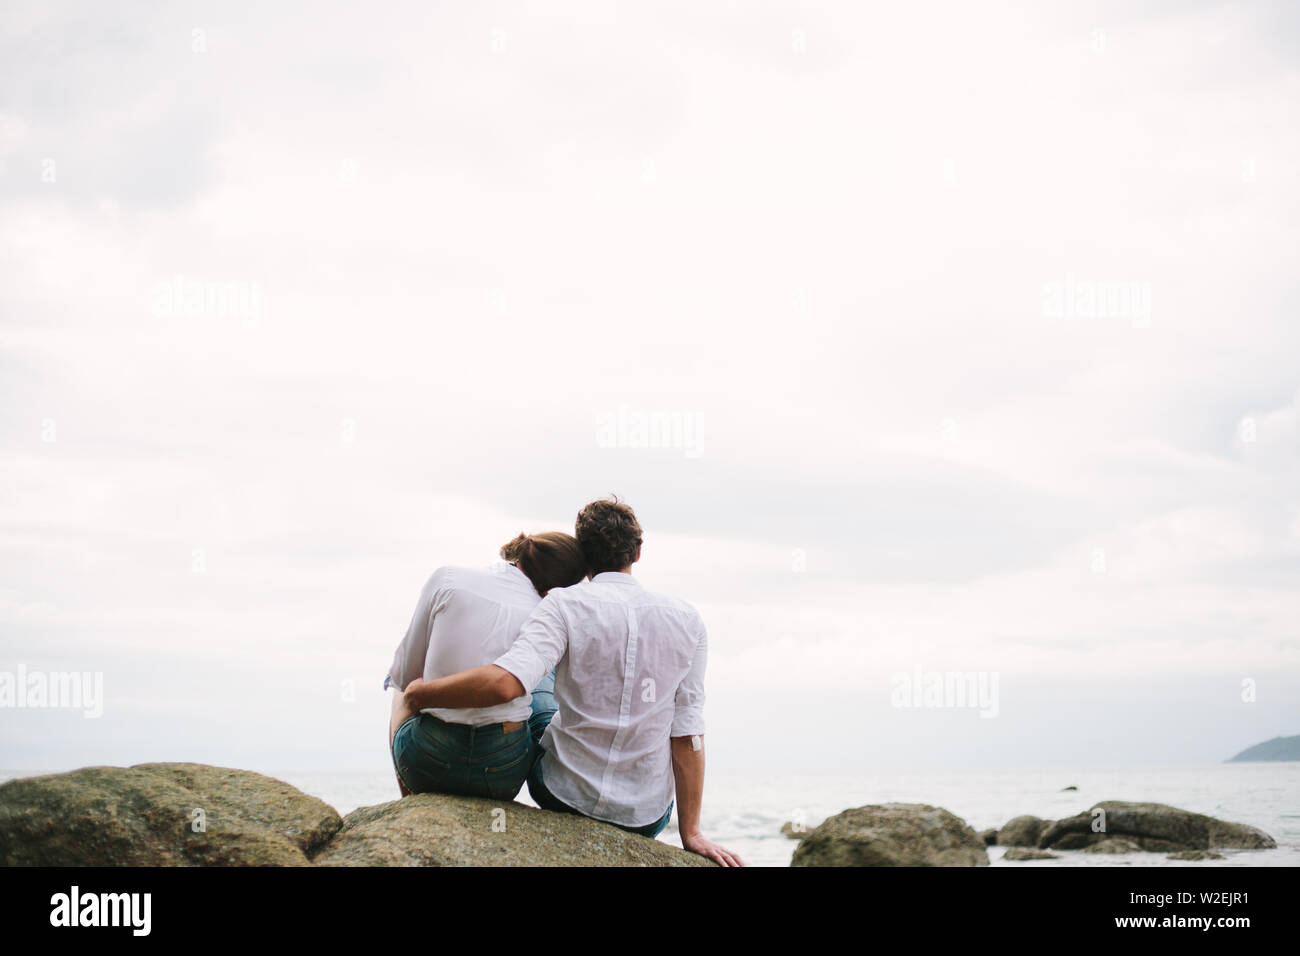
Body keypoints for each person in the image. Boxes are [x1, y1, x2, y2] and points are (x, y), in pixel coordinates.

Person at [404, 497, 745, 866]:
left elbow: (507, 684)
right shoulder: (688, 619)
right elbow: (688, 731)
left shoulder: (565, 604)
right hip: (644, 817)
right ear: (639, 552)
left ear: (583, 557)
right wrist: (691, 832)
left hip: (560, 794)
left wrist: (419, 693)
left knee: (538, 679)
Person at [385, 532, 587, 800]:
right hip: (502, 770)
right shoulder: (545, 616)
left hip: (429, 761)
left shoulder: (447, 578)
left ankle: (410, 800)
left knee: (400, 689)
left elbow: (404, 674)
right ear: (557, 588)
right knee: (538, 682)